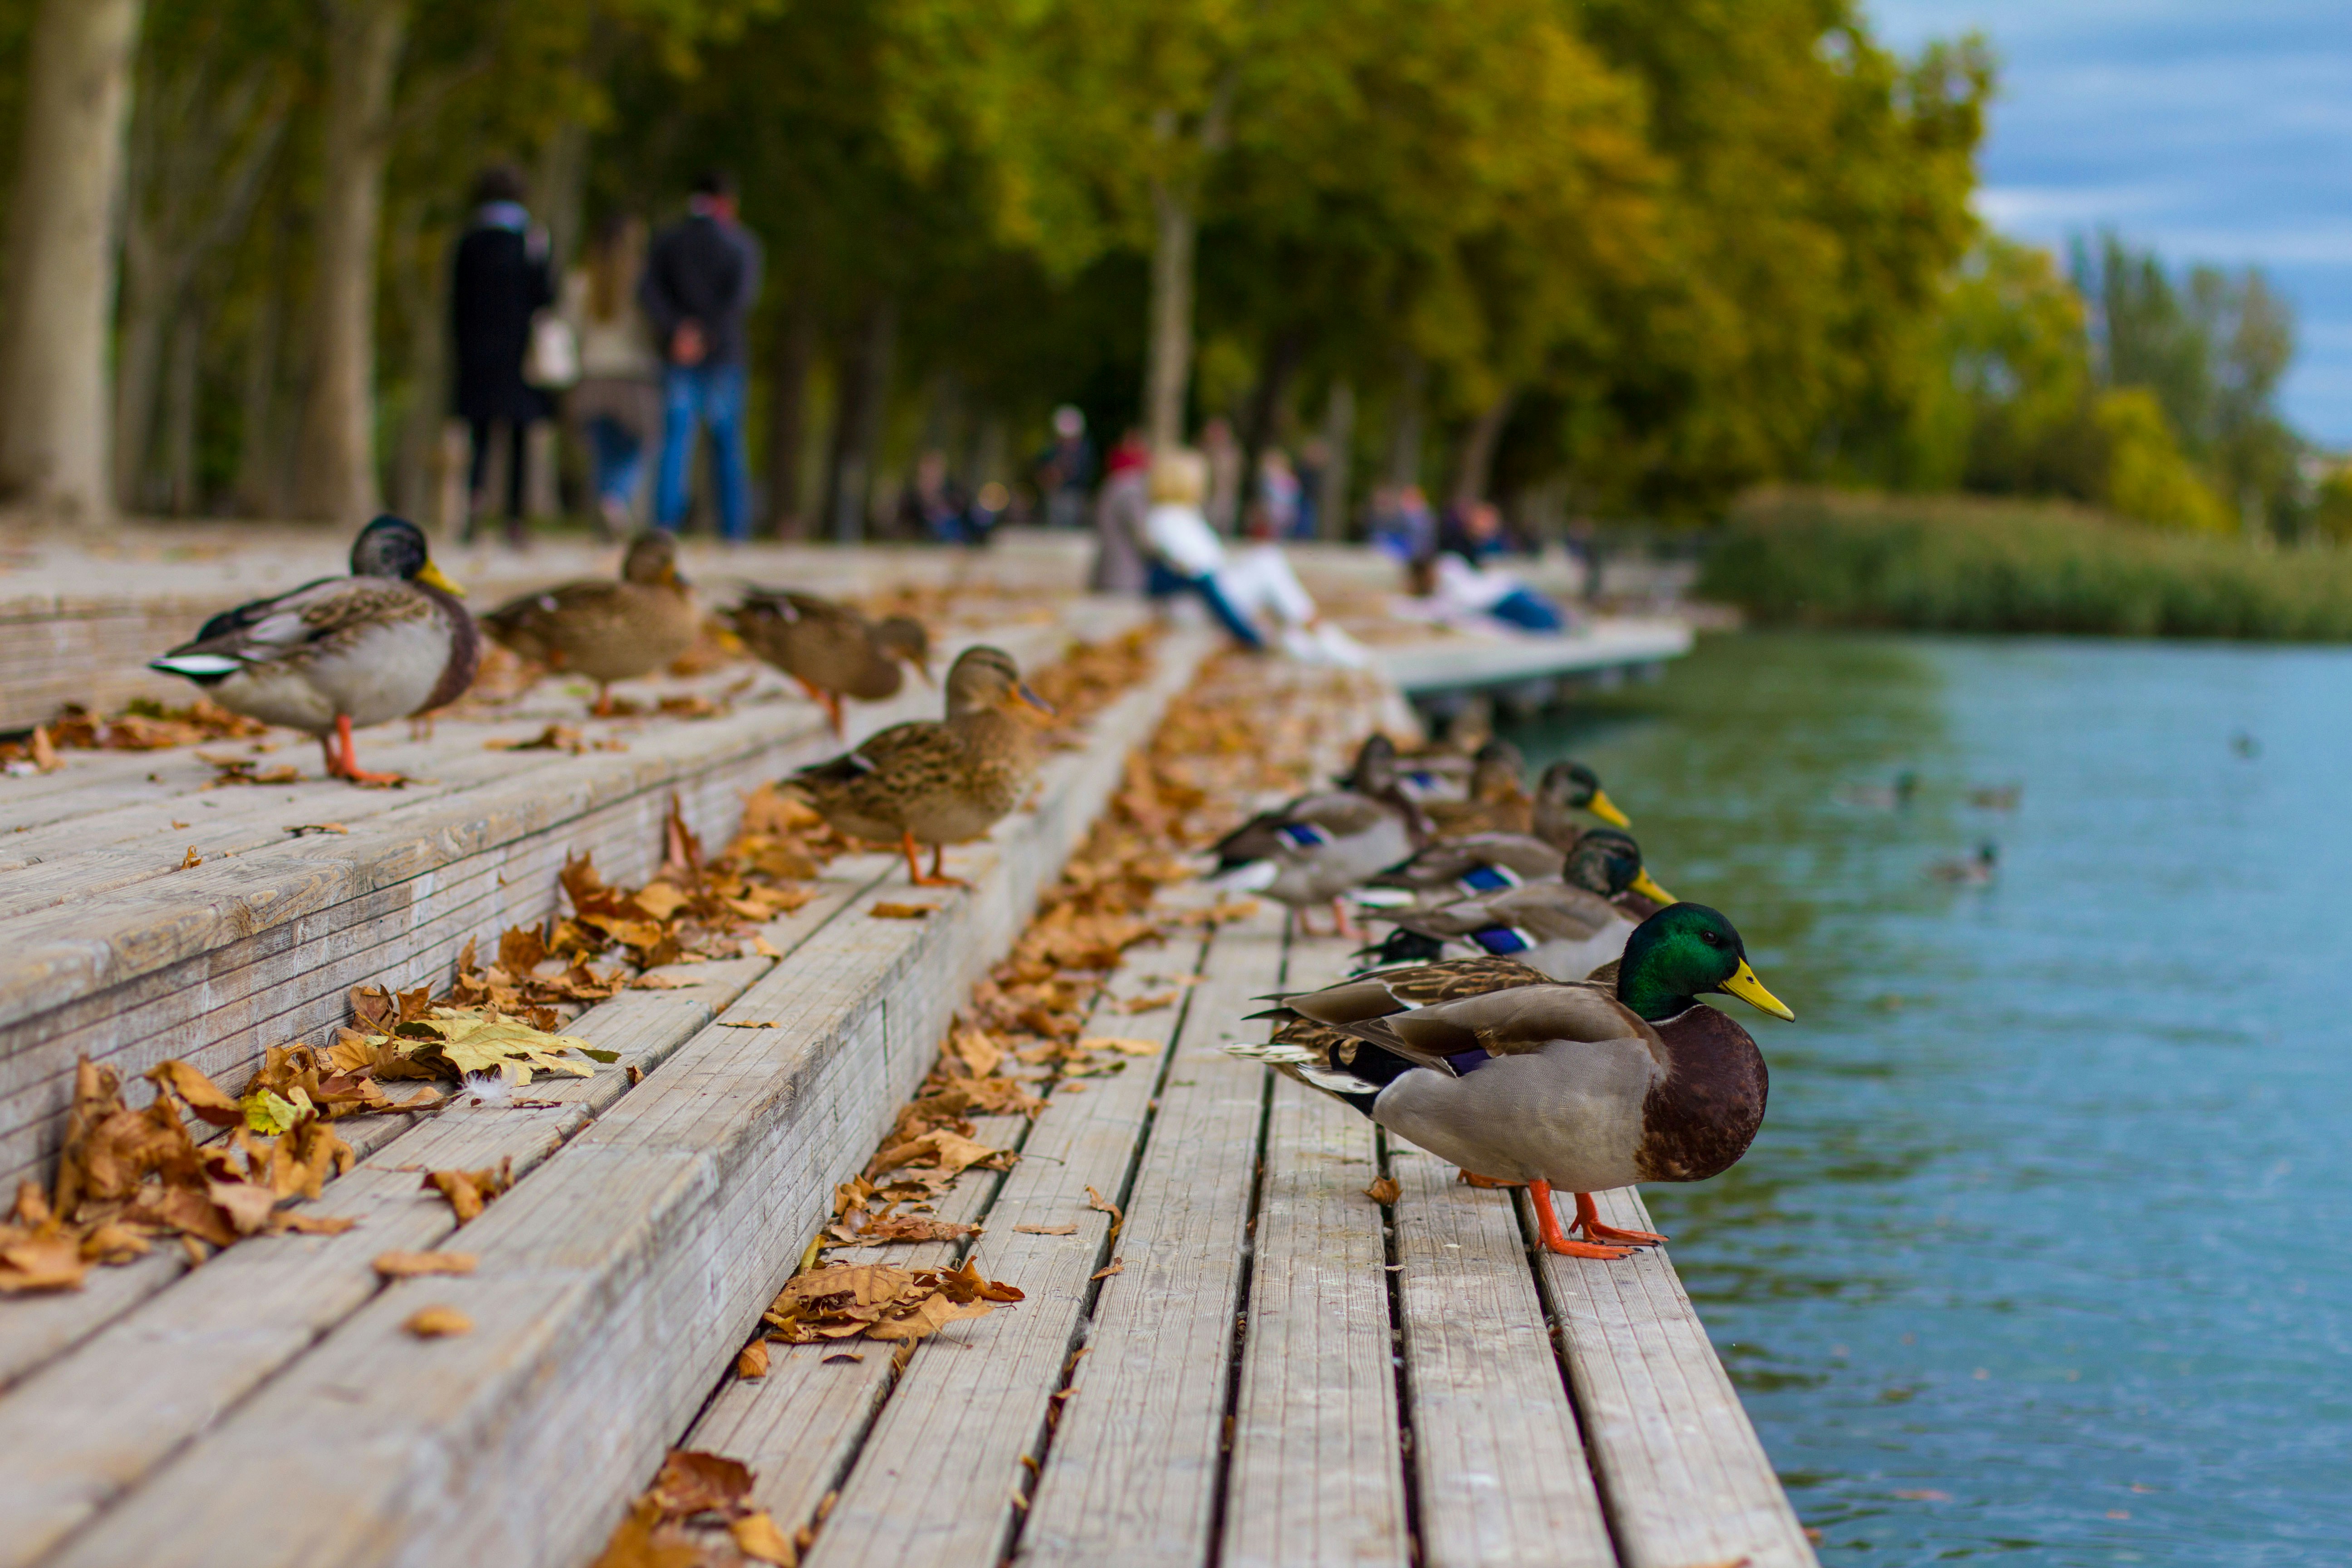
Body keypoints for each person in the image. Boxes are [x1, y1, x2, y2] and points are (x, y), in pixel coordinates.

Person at [1142, 449, 1365, 664]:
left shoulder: (1180, 516)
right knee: (1268, 561)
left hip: (1205, 598)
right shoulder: (1168, 520)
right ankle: (1318, 632)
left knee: (1268, 562)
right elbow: (1203, 582)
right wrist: (1248, 635)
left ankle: (1309, 635)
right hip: (1195, 607)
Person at [640, 170, 763, 542]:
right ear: (728, 202)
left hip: (679, 355)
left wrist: (680, 331)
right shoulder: (742, 244)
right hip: (724, 355)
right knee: (727, 444)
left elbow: (649, 293)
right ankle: (733, 529)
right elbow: (740, 301)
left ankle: (665, 525)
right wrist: (707, 334)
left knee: (676, 442)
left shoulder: (667, 240)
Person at [451, 165, 554, 546]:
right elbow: (546, 297)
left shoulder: (469, 242)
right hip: (520, 355)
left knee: (479, 438)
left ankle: (475, 505)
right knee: (519, 441)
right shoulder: (531, 241)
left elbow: (456, 304)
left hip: (477, 354)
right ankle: (515, 519)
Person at [562, 213, 661, 540]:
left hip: (591, 376)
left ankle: (606, 503)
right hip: (632, 377)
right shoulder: (643, 282)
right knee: (634, 449)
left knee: (603, 451)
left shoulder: (580, 282)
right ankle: (615, 499)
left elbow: (569, 330)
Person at [1089, 428, 1151, 593]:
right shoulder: (1132, 488)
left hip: (1107, 572)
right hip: (1126, 578)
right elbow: (1143, 536)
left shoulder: (1110, 484)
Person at [1033, 406, 1095, 529]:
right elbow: (1041, 469)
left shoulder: (1084, 450)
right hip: (1055, 495)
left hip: (1074, 495)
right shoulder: (1052, 449)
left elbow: (1085, 473)